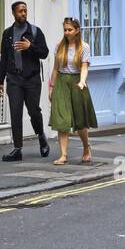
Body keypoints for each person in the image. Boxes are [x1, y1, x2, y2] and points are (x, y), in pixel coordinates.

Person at [0, 1, 50, 161]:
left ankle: (41, 136)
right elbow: (4, 59)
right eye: (20, 11)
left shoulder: (35, 31)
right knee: (15, 112)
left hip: (32, 79)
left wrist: (30, 46)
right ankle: (17, 149)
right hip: (14, 79)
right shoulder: (7, 34)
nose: (23, 14)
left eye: (25, 11)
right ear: (14, 13)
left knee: (34, 111)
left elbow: (44, 53)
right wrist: (0, 81)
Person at [48, 17, 98, 166]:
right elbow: (56, 69)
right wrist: (51, 87)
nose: (67, 32)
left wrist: (82, 81)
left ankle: (86, 147)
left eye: (70, 29)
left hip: (77, 82)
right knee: (62, 120)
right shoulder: (59, 46)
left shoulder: (84, 47)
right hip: (62, 83)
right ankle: (63, 155)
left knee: (80, 121)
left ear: (77, 30)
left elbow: (84, 67)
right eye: (65, 30)